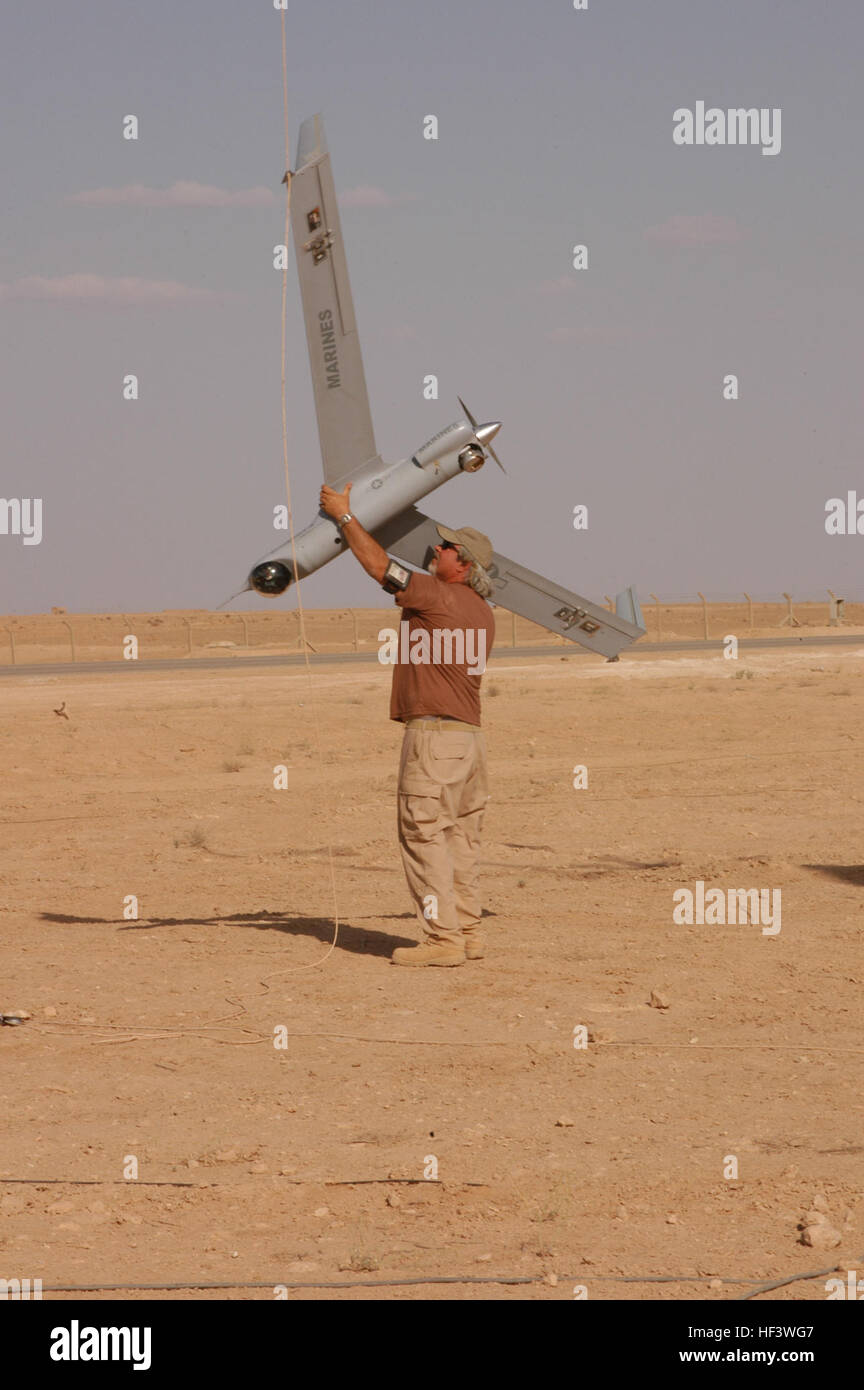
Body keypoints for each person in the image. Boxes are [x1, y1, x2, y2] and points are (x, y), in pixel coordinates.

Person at [320, 481, 496, 966]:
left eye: (446, 546)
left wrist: (345, 516)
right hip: (469, 743)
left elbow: (379, 567)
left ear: (463, 565)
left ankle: (443, 942)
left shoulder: (436, 595)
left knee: (423, 836)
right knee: (460, 838)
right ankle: (469, 933)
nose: (435, 548)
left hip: (435, 740)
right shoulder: (482, 610)